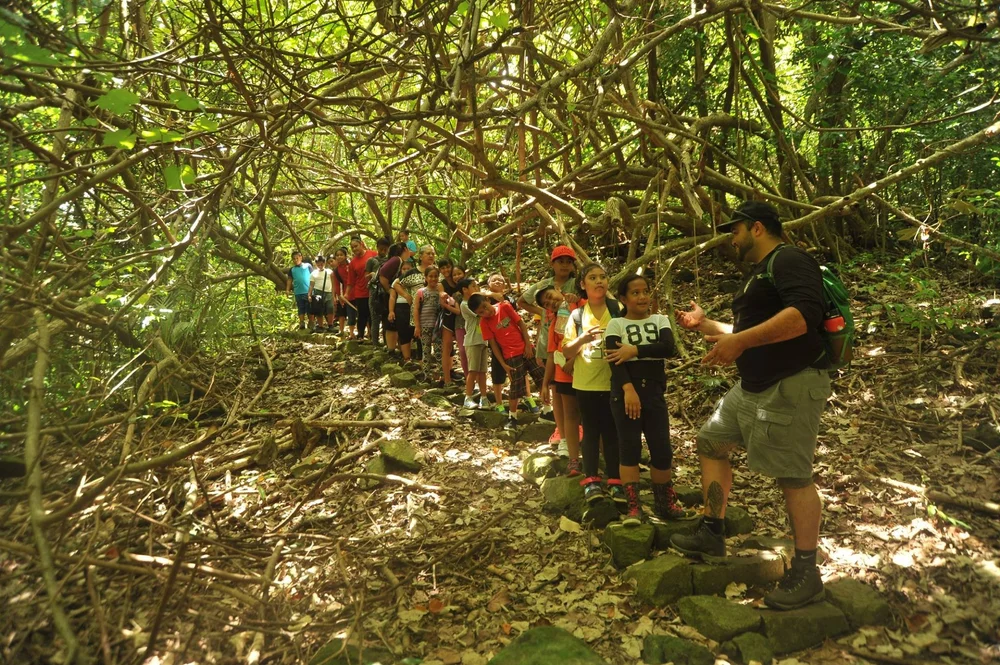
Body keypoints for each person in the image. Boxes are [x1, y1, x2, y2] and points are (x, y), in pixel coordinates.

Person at [669, 200, 832, 611]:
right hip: (753, 388)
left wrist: (739, 341)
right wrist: (708, 326)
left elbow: (803, 317)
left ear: (757, 228)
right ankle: (712, 527)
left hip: (790, 386)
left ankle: (807, 572)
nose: (731, 238)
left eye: (735, 230)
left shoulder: (789, 259)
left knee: (793, 476)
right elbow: (750, 332)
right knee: (711, 442)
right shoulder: (758, 274)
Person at [605, 274, 685, 525]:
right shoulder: (615, 325)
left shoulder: (659, 320)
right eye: (635, 293)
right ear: (623, 298)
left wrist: (635, 350)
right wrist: (628, 389)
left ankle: (664, 504)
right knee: (629, 447)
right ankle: (634, 507)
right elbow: (614, 360)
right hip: (625, 392)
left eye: (645, 292)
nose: (642, 297)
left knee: (661, 448)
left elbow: (668, 347)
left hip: (654, 392)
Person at [561, 263, 624, 507]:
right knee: (590, 431)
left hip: (614, 382)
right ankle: (591, 480)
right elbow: (566, 350)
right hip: (586, 383)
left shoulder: (617, 309)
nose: (599, 281)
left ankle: (616, 481)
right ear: (582, 285)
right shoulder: (577, 315)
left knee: (612, 432)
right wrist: (583, 338)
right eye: (593, 278)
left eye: (603, 277)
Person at [519, 246, 580, 446]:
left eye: (568, 261)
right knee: (557, 389)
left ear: (573, 265)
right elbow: (521, 301)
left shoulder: (576, 284)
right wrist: (542, 310)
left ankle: (577, 427)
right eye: (560, 261)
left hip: (575, 343)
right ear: (552, 263)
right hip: (549, 343)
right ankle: (561, 429)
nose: (564, 265)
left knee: (576, 389)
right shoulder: (543, 286)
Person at [469, 293, 546, 431]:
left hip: (527, 349)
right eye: (481, 312)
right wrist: (503, 364)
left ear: (487, 300)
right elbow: (493, 345)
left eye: (485, 307)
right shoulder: (484, 323)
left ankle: (548, 410)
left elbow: (521, 324)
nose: (486, 312)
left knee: (541, 378)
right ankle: (513, 417)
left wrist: (528, 345)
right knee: (516, 386)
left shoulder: (504, 306)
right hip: (510, 356)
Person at [536, 285, 582, 476]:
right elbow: (552, 355)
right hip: (563, 373)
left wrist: (574, 359)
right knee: (568, 411)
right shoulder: (555, 322)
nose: (551, 302)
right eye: (546, 304)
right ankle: (570, 449)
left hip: (587, 368)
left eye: (550, 297)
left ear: (557, 290)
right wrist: (545, 384)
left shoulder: (578, 305)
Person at [458, 277, 490, 409]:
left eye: (477, 286)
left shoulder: (478, 302)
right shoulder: (465, 305)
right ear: (465, 290)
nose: (477, 289)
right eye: (473, 286)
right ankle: (468, 397)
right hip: (472, 341)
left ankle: (484, 398)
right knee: (473, 370)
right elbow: (481, 314)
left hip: (483, 340)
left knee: (482, 371)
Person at [379, 242, 413, 353]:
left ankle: (399, 348)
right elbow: (382, 275)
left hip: (397, 295)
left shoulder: (401, 261)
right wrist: (389, 290)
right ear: (404, 249)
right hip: (389, 295)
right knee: (390, 323)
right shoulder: (397, 260)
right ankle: (391, 349)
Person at [389, 257, 422, 362]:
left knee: (417, 332)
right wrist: (391, 311)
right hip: (401, 308)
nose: (406, 271)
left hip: (415, 307)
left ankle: (420, 358)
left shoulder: (415, 278)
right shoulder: (397, 281)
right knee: (404, 333)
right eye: (404, 269)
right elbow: (392, 297)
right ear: (400, 270)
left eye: (408, 268)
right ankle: (407, 358)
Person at [415, 266, 445, 379]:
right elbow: (416, 309)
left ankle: (443, 375)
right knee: (426, 351)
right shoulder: (421, 292)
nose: (433, 278)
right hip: (425, 326)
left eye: (435, 276)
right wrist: (417, 326)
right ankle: (426, 376)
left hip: (437, 327)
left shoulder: (440, 292)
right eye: (430, 276)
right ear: (426, 278)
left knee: (438, 352)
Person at [346, 237, 378, 341]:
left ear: (361, 244)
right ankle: (360, 335)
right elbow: (350, 280)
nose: (354, 249)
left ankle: (373, 336)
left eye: (356, 246)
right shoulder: (353, 263)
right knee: (362, 315)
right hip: (360, 292)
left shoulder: (373, 254)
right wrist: (346, 293)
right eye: (352, 247)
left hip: (373, 289)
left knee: (373, 314)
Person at [439, 259, 463, 386]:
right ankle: (447, 379)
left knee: (463, 348)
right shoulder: (442, 284)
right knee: (447, 348)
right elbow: (442, 296)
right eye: (443, 268)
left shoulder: (458, 280)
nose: (446, 270)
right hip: (448, 318)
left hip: (461, 319)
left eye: (448, 267)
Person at [366, 237, 392, 346]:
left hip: (386, 293)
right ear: (377, 248)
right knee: (375, 319)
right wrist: (372, 275)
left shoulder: (391, 260)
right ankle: (375, 344)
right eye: (381, 249)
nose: (383, 251)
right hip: (374, 293)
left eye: (385, 249)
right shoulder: (371, 261)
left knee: (387, 319)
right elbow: (366, 277)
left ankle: (388, 343)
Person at [285, 251, 313, 329]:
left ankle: (311, 322)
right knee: (301, 307)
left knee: (309, 307)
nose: (296, 260)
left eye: (297, 258)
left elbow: (313, 277)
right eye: (294, 259)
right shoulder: (292, 270)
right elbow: (289, 280)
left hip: (308, 291)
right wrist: (287, 290)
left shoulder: (308, 266)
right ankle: (301, 322)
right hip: (298, 292)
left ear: (301, 257)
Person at [307, 255, 336, 333]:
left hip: (329, 292)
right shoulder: (313, 274)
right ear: (316, 264)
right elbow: (311, 285)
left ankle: (330, 325)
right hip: (317, 293)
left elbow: (333, 284)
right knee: (319, 309)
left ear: (324, 263)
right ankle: (320, 326)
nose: (320, 265)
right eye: (318, 264)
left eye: (322, 264)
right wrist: (309, 294)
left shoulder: (330, 272)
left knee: (330, 308)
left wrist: (334, 295)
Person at [332, 247, 351, 337]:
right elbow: (336, 284)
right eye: (337, 255)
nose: (339, 257)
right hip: (342, 293)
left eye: (341, 255)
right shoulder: (336, 271)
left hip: (354, 293)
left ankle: (354, 333)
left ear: (346, 256)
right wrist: (337, 296)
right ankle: (341, 330)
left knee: (355, 313)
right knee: (341, 313)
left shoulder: (351, 266)